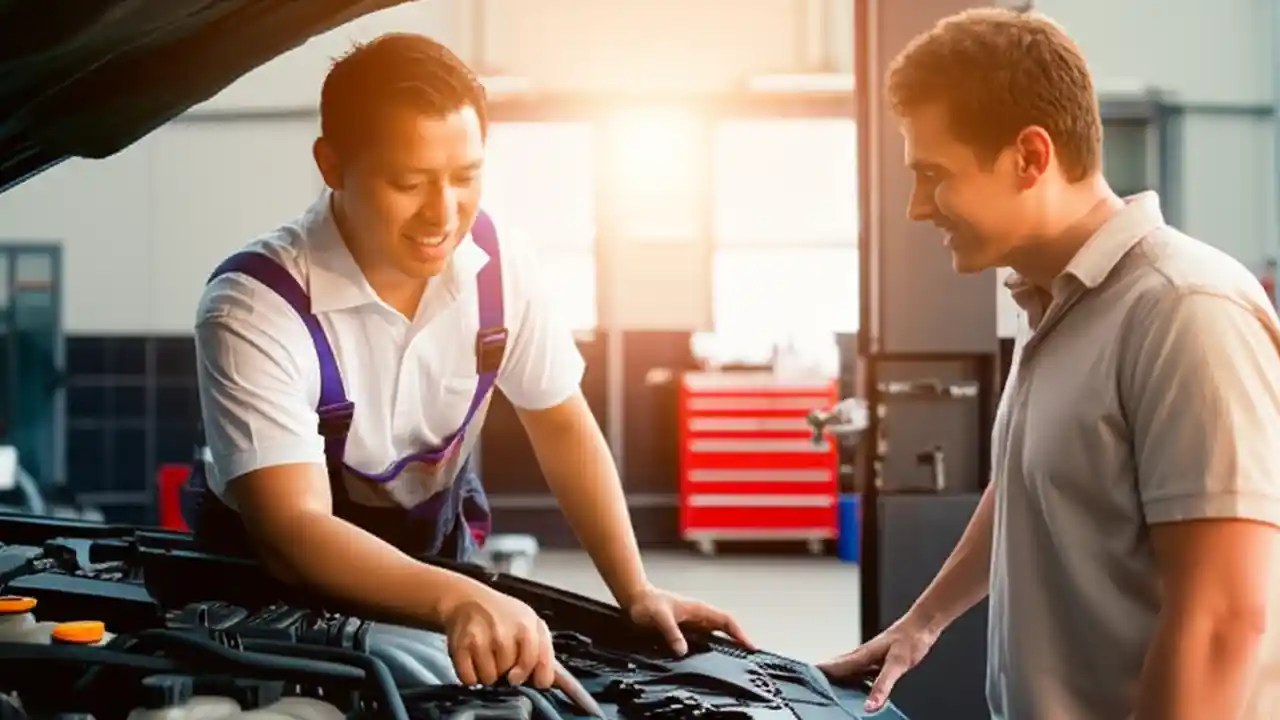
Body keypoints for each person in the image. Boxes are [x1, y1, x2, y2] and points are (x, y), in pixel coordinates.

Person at [189, 32, 753, 690]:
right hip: (268, 604)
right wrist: (457, 599)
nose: (444, 213)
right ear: (332, 165)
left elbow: (562, 426)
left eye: (466, 177)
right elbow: (294, 527)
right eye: (409, 182)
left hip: (433, 562)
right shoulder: (256, 307)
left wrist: (635, 589)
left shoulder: (500, 267)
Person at [818, 9, 1280, 720]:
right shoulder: (1056, 303)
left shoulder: (1183, 311)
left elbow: (1223, 622)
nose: (915, 208)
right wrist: (925, 620)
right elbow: (1032, 478)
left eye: (933, 175)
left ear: (1031, 157)